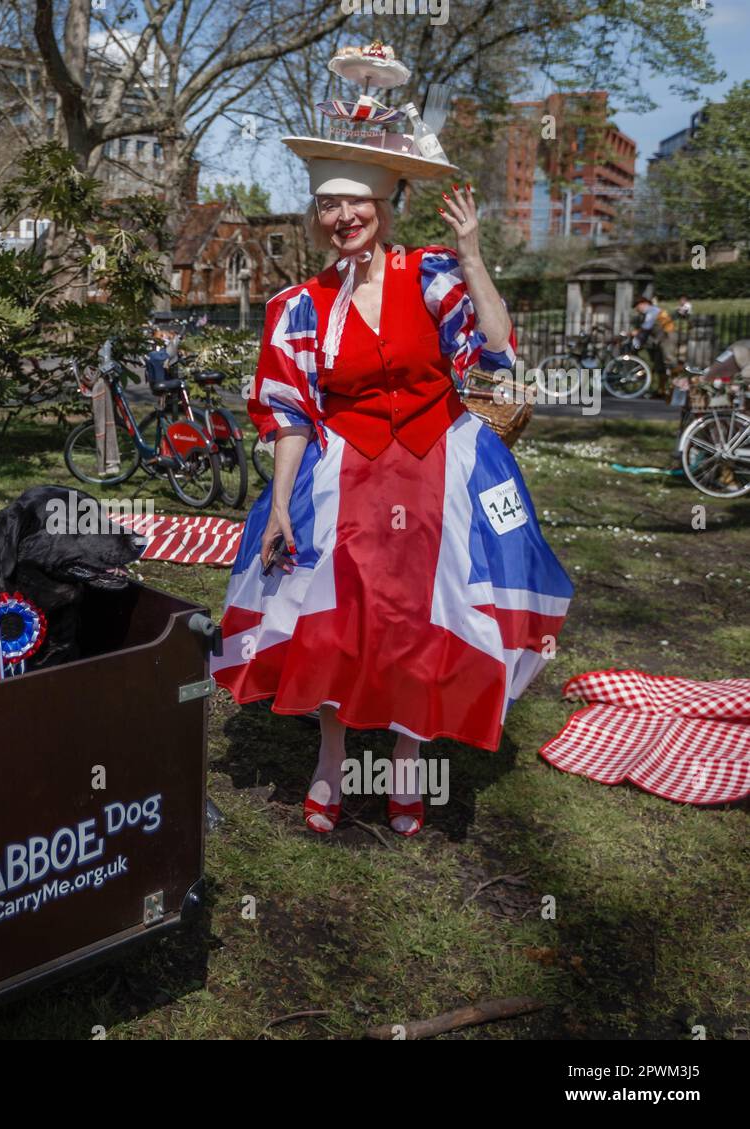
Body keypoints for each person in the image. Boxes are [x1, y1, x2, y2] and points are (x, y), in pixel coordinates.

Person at [210, 47, 573, 838]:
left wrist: (475, 254)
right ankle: (332, 768)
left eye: (356, 203)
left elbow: (497, 351)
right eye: (328, 206)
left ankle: (406, 769)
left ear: (384, 203)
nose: (342, 217)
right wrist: (277, 510)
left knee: (419, 623)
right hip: (346, 482)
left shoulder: (434, 274)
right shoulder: (296, 307)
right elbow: (290, 417)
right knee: (338, 622)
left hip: (437, 474)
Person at [633, 296, 676, 397]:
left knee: (670, 362)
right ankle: (661, 390)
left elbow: (646, 327)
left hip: (667, 337)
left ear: (644, 303)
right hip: (660, 340)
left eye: (637, 306)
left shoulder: (652, 311)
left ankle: (674, 389)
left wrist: (636, 333)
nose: (637, 309)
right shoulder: (649, 312)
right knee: (659, 365)